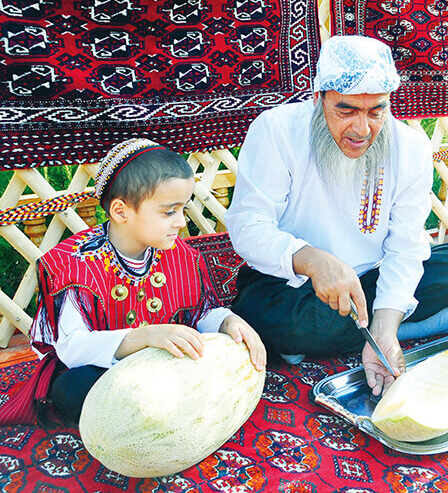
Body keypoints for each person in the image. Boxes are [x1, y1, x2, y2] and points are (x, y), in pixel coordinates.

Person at [226, 35, 448, 395]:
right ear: (319, 99)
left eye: (376, 111)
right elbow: (247, 227)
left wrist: (385, 325)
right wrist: (311, 260)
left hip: (370, 281)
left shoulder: (410, 149)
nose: (362, 129)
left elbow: (406, 247)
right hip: (294, 287)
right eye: (346, 110)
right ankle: (415, 322)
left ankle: (383, 327)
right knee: (266, 317)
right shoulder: (276, 131)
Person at [0, 139, 266, 426]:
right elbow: (72, 348)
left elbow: (201, 312)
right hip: (107, 372)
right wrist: (146, 337)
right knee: (72, 388)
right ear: (121, 211)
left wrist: (228, 321)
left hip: (164, 367)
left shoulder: (182, 257)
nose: (180, 222)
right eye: (169, 212)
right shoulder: (74, 264)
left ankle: (168, 410)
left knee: (226, 353)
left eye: (183, 210)